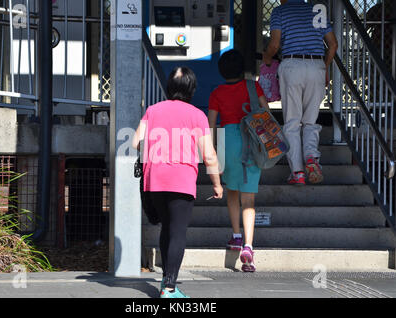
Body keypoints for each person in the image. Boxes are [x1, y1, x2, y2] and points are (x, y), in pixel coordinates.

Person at [133, 66, 223, 298]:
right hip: (181, 180)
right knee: (178, 232)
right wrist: (217, 183)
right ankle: (170, 288)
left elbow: (135, 143)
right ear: (192, 89)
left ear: (169, 87)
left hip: (154, 180)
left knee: (167, 229)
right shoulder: (197, 115)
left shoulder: (152, 110)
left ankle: (166, 282)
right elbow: (209, 154)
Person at [263, 0, 338, 185]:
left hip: (292, 66)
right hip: (316, 66)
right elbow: (333, 45)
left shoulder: (280, 11)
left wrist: (266, 60)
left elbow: (274, 44)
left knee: (292, 123)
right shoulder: (317, 10)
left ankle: (298, 172)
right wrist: (324, 67)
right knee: (310, 120)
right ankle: (311, 158)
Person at [208, 49, 270, 272]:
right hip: (252, 139)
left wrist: (212, 151)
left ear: (222, 71)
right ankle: (248, 246)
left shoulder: (216, 93)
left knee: (231, 191)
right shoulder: (253, 87)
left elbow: (212, 124)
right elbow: (265, 111)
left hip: (227, 140)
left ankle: (235, 235)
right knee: (249, 199)